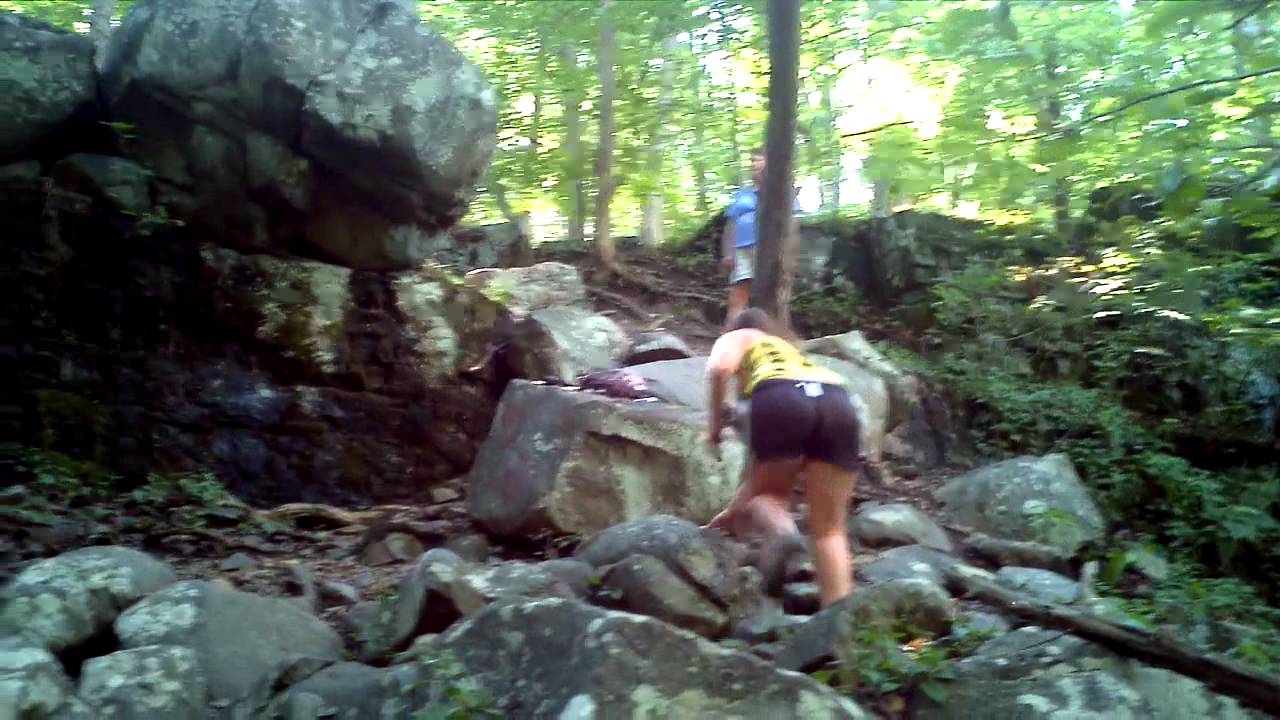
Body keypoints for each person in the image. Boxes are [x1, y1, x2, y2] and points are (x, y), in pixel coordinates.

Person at [703, 308, 861, 608]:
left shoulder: (738, 337)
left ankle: (785, 535)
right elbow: (756, 479)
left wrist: (714, 430)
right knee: (830, 529)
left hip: (781, 396)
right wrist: (733, 512)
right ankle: (840, 625)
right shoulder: (789, 351)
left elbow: (719, 369)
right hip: (837, 400)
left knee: (770, 499)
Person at [720, 149, 767, 330]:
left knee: (767, 296)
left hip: (766, 248)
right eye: (752, 161)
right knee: (737, 296)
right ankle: (729, 338)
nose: (754, 165)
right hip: (741, 249)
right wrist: (727, 253)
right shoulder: (742, 194)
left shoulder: (781, 192)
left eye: (759, 160)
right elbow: (731, 224)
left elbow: (791, 224)